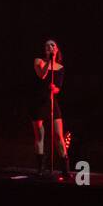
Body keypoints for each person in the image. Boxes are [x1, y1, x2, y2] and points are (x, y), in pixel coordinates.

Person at [32, 39, 70, 175]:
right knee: (40, 135)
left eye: (53, 45)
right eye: (47, 45)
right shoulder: (39, 61)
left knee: (59, 135)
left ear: (57, 49)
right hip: (38, 101)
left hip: (51, 101)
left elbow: (58, 88)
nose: (50, 46)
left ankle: (65, 168)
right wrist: (49, 60)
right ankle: (40, 168)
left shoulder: (60, 67)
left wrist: (54, 89)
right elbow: (42, 75)